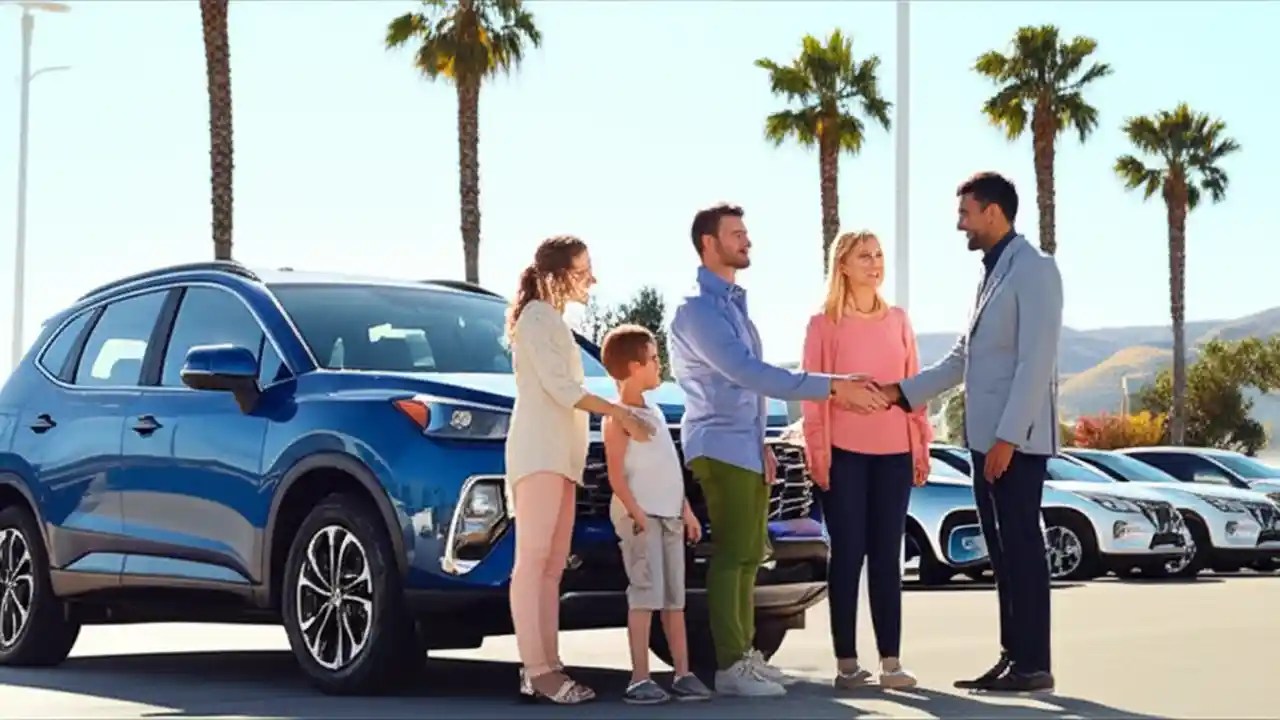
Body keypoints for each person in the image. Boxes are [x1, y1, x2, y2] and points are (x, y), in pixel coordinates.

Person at [668, 202, 886, 697]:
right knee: (735, 552)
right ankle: (730, 666)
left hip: (742, 445)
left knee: (750, 554)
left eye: (746, 233)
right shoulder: (697, 310)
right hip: (717, 443)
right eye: (736, 234)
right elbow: (746, 373)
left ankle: (746, 655)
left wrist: (760, 441)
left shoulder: (732, 306)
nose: (747, 241)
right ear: (709, 243)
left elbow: (752, 386)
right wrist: (832, 387)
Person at [876, 172, 1064, 693]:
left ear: (993, 213)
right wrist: (900, 392)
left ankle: (1034, 664)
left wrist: (1009, 438)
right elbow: (964, 357)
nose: (960, 223)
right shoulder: (992, 272)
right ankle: (1014, 657)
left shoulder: (1035, 270)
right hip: (985, 443)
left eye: (966, 213)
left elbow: (1035, 362)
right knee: (1002, 553)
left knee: (1022, 547)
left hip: (1015, 443)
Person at [505, 235, 656, 705]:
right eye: (582, 269)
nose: (592, 278)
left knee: (551, 566)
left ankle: (548, 667)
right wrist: (619, 411)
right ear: (555, 274)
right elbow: (561, 387)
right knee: (533, 563)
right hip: (539, 453)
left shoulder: (551, 321)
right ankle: (537, 669)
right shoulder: (536, 319)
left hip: (561, 457)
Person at [800, 230, 932, 691]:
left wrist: (922, 443)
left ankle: (891, 663)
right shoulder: (823, 324)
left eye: (878, 255)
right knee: (848, 555)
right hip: (844, 456)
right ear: (843, 266)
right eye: (864, 256)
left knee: (886, 558)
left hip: (894, 453)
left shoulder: (898, 320)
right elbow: (812, 398)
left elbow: (914, 387)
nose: (875, 264)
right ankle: (847, 664)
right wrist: (818, 453)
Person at [599, 324, 715, 704]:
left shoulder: (656, 412)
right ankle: (639, 678)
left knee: (673, 599)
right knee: (645, 596)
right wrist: (638, 515)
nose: (658, 364)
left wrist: (686, 512)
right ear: (633, 366)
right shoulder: (617, 419)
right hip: (642, 518)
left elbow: (669, 467)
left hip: (669, 517)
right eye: (652, 359)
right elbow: (616, 475)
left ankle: (682, 672)